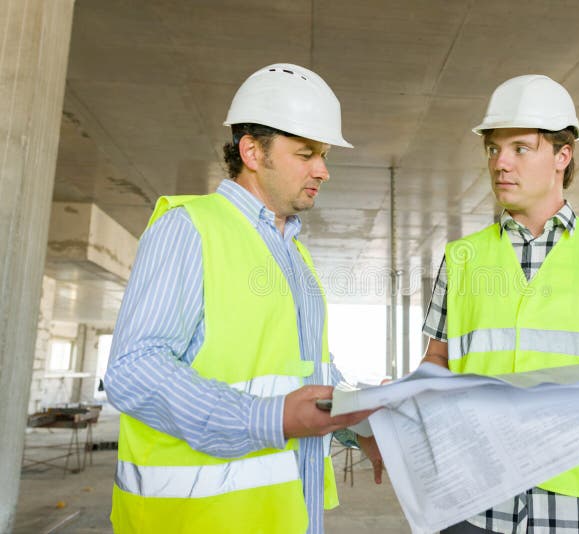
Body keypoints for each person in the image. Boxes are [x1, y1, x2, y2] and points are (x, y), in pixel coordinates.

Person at [105, 63, 381, 534]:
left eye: (324, 154)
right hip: (203, 521)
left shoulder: (292, 252)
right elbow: (134, 369)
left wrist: (361, 423)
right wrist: (267, 418)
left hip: (286, 515)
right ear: (252, 151)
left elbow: (305, 369)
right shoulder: (189, 228)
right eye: (306, 153)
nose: (324, 170)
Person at [421, 75, 579, 533]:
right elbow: (436, 363)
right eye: (493, 149)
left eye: (520, 148)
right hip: (477, 501)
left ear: (562, 155)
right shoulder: (462, 257)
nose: (501, 163)